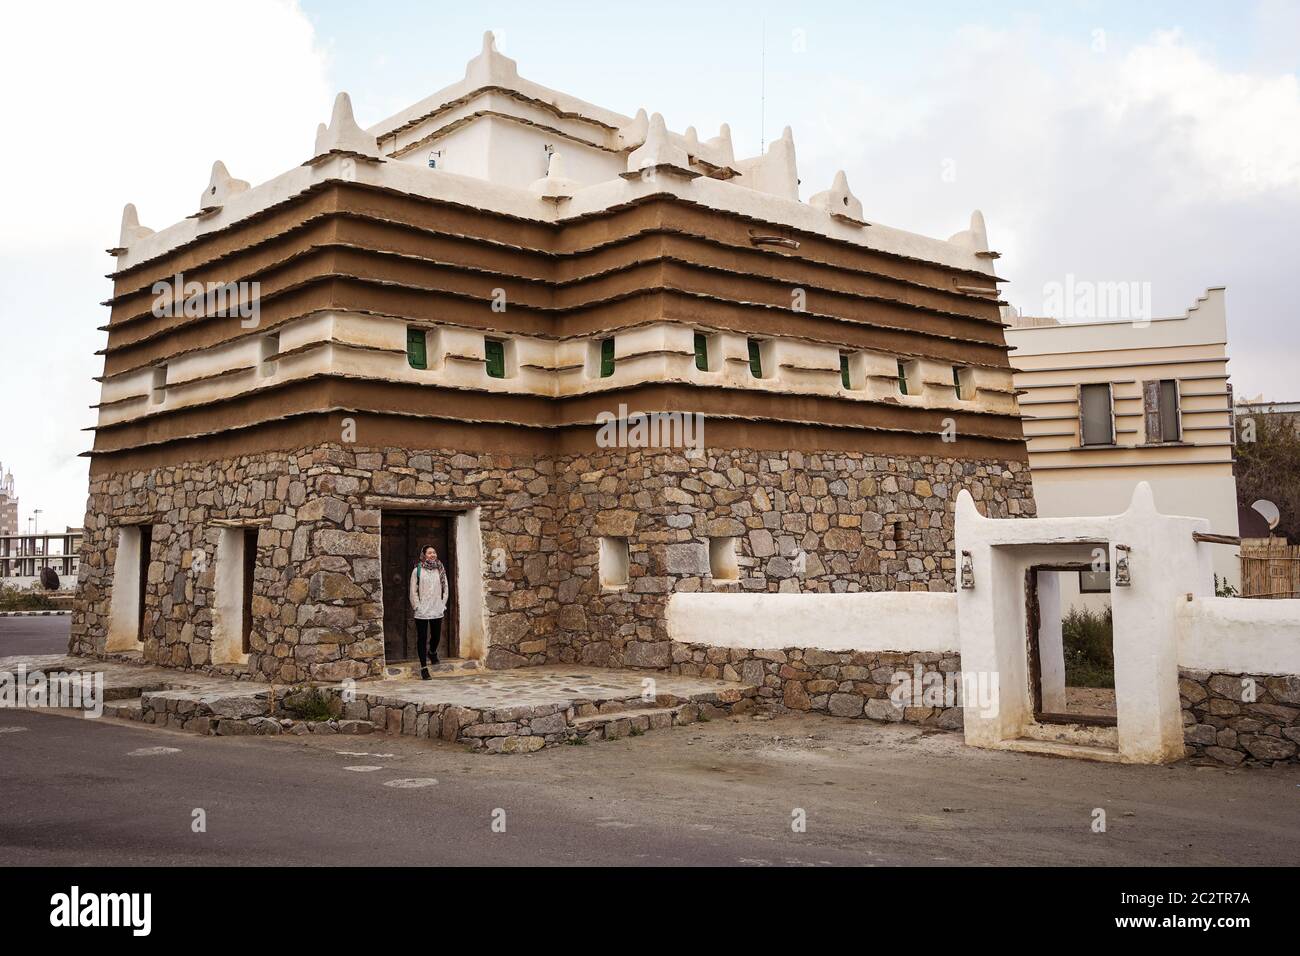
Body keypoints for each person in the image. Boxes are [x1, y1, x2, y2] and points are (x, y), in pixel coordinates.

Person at [408, 545, 449, 679]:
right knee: (422, 638)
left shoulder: (440, 569)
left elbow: (445, 587)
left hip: (437, 608)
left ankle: (432, 652)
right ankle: (424, 668)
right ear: (424, 555)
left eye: (434, 552)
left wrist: (443, 603)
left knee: (436, 636)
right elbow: (413, 590)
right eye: (429, 553)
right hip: (422, 610)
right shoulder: (417, 570)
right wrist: (417, 606)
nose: (433, 554)